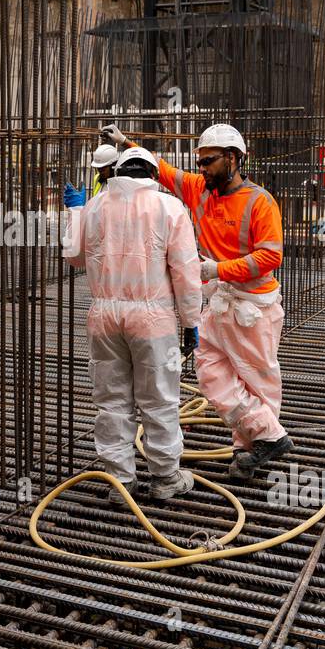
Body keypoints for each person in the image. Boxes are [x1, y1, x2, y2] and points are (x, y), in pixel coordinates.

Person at [100, 122, 290, 480]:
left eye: (209, 161)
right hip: (219, 301)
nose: (201, 169)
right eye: (199, 161)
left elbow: (270, 256)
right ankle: (265, 437)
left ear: (234, 159)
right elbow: (163, 170)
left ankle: (252, 449)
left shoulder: (259, 202)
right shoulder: (200, 190)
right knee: (210, 370)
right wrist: (125, 143)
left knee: (257, 380)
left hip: (254, 306)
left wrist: (217, 269)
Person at [63, 147, 202, 505]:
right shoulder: (170, 208)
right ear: (154, 176)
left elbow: (74, 257)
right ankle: (165, 476)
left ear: (118, 173)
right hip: (153, 319)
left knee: (112, 401)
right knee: (159, 398)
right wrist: (191, 321)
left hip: (104, 317)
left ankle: (120, 482)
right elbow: (186, 271)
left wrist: (75, 212)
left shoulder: (94, 206)